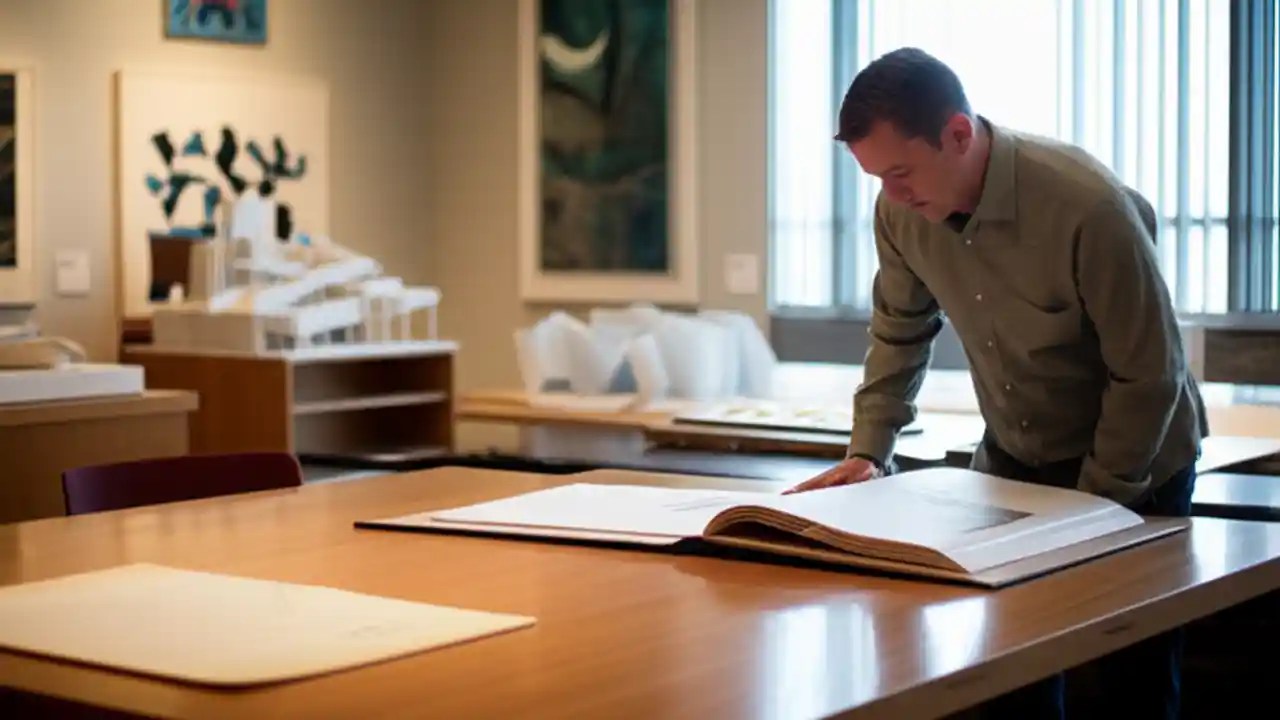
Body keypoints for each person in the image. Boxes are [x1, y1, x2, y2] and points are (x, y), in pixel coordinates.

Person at [785, 47, 1207, 719]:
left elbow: (1148, 374)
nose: (891, 197)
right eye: (876, 178)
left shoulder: (1087, 207)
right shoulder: (900, 213)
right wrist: (869, 451)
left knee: (1121, 684)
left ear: (957, 134)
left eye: (900, 172)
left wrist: (1094, 510)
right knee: (1011, 673)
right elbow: (899, 331)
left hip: (1138, 464)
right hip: (1016, 459)